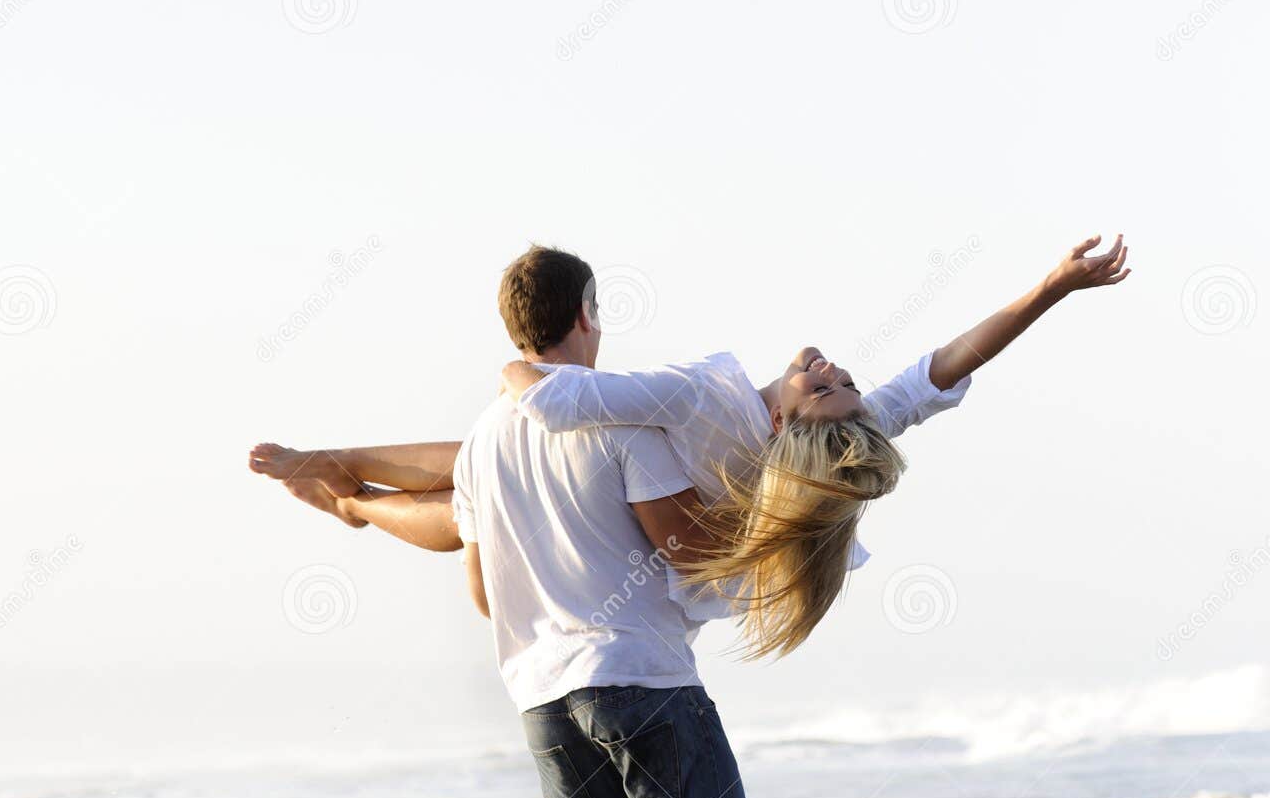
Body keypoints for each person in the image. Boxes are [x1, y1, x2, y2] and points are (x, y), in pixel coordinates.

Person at [250, 233, 1132, 657]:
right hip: (629, 517)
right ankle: (349, 479)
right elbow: (942, 367)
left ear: (788, 422)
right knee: (496, 461)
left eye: (821, 384)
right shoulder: (831, 435)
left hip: (631, 537)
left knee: (501, 448)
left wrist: (515, 373)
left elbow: (547, 400)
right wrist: (1050, 288)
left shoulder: (703, 399)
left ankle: (353, 495)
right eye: (841, 377)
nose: (828, 366)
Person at [263, 246, 760, 798]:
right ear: (588, 312)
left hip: (545, 703)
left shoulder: (485, 437)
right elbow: (690, 547)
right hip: (643, 680)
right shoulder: (618, 419)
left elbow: (483, 596)